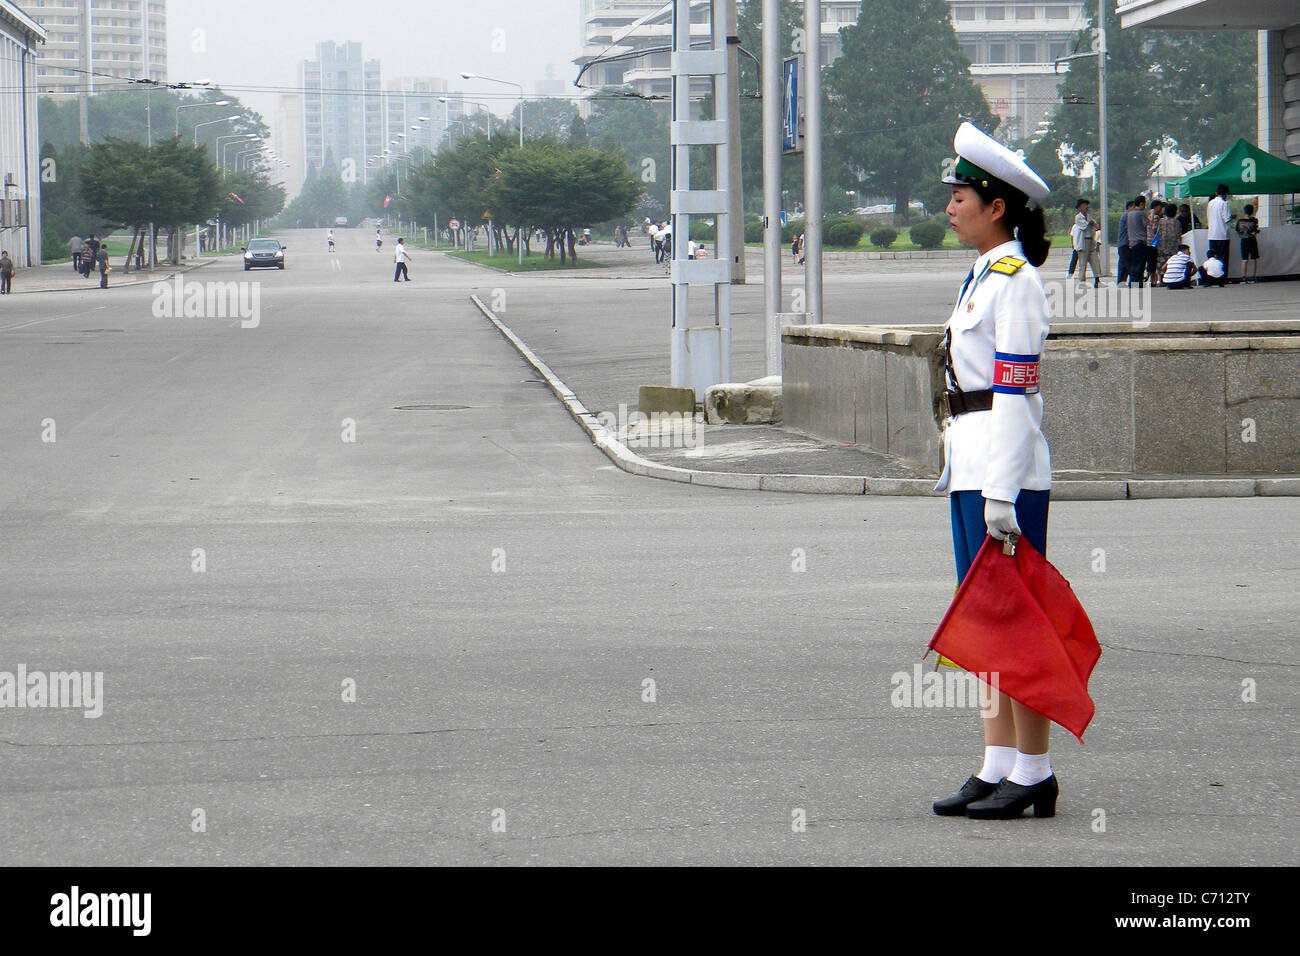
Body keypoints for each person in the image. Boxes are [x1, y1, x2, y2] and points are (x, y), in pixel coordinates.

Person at [932, 122, 1058, 821]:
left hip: (1004, 475)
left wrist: (1003, 491)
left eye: (960, 195)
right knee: (983, 621)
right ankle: (997, 763)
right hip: (972, 464)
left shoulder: (1018, 283)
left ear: (996, 206)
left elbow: (1014, 393)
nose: (950, 206)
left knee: (1020, 626)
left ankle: (1035, 770)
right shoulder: (981, 276)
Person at [1073, 198, 1102, 289]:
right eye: (1084, 205)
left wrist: (1093, 224)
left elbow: (1096, 226)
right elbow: (1084, 226)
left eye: (1086, 205)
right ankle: (1082, 282)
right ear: (1079, 208)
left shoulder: (1089, 216)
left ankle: (1097, 280)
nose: (1086, 207)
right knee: (1083, 263)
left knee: (1095, 260)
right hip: (1083, 242)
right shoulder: (1078, 217)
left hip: (1091, 240)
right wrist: (1091, 223)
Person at [1206, 184, 1234, 267]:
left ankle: (1213, 276)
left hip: (1212, 235)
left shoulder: (1210, 203)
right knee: (1223, 258)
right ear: (1225, 194)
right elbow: (1227, 218)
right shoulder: (1224, 203)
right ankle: (1222, 277)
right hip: (1222, 235)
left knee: (1213, 258)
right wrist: (1232, 217)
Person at [1155, 203, 1183, 285]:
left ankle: (1161, 279)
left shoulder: (1160, 221)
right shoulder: (1177, 222)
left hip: (1161, 246)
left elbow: (1156, 232)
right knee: (1170, 263)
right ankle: (1170, 278)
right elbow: (1179, 235)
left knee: (1160, 263)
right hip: (1173, 247)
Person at [1124, 196, 1149, 287]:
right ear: (1141, 204)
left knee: (1134, 263)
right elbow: (1148, 224)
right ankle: (1138, 283)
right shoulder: (1141, 213)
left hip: (1132, 242)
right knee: (1141, 264)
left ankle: (1132, 282)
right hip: (1140, 241)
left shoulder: (1129, 214)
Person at [1236, 203, 1260, 283]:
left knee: (1244, 259)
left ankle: (1244, 277)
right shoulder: (1254, 220)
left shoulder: (1240, 221)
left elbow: (1237, 231)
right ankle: (1253, 277)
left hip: (1243, 241)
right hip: (1252, 241)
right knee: (1253, 259)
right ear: (1252, 211)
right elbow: (1255, 231)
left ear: (1244, 211)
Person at [1116, 200, 1133, 285]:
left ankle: (1121, 282)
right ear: (1129, 207)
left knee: (1123, 264)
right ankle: (1133, 280)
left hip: (1122, 244)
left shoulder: (1126, 215)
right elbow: (1129, 229)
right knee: (1128, 264)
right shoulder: (1127, 215)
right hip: (1125, 243)